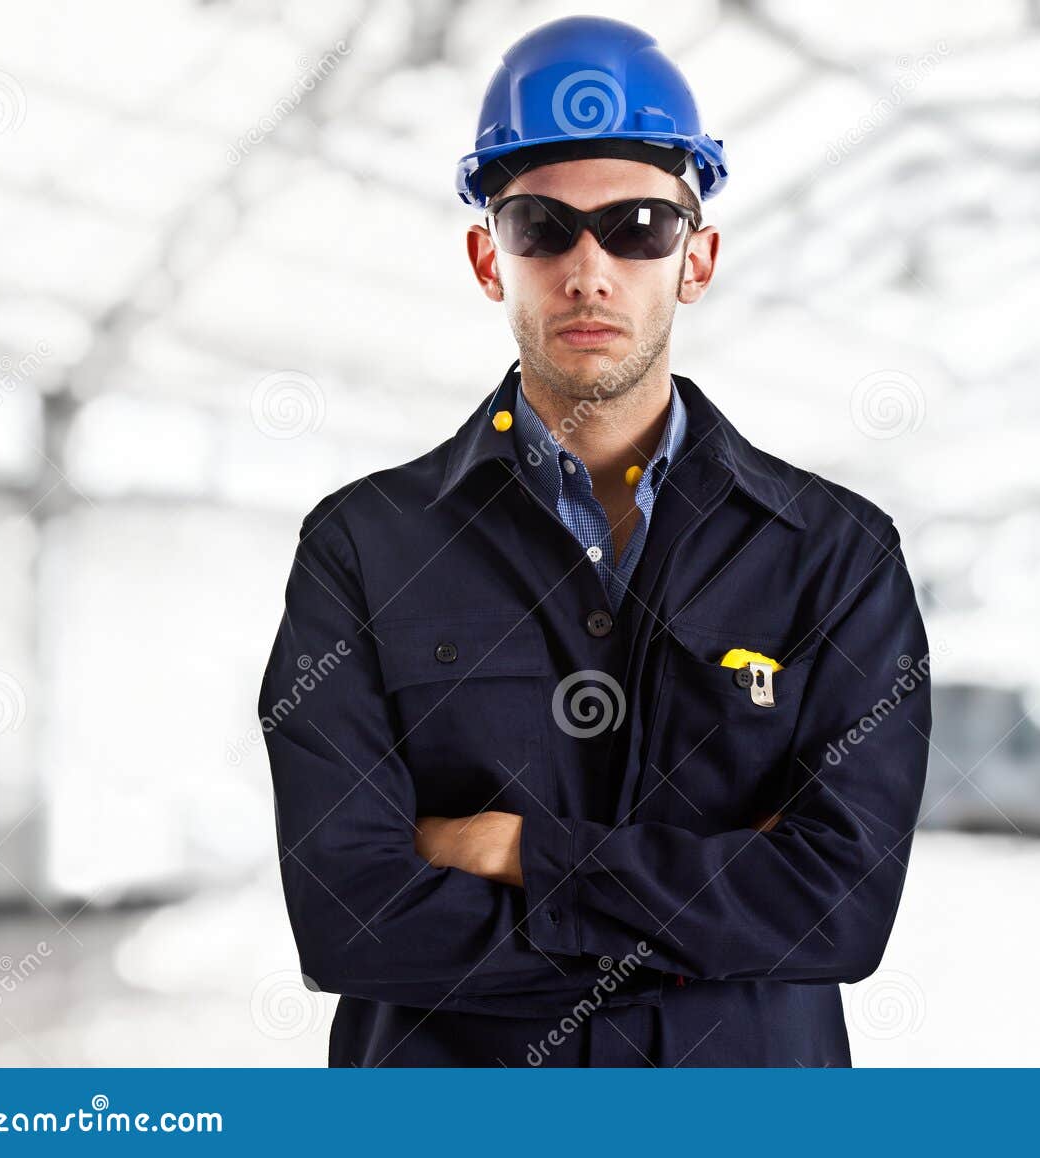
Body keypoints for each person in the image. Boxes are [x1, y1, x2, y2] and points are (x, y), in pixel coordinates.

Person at [259, 14, 931, 1067]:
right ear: (490, 256)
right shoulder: (364, 548)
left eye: (638, 226)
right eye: (540, 226)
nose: (588, 268)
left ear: (695, 257)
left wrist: (515, 849)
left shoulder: (833, 558)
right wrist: (712, 911)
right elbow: (352, 918)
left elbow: (836, 911)